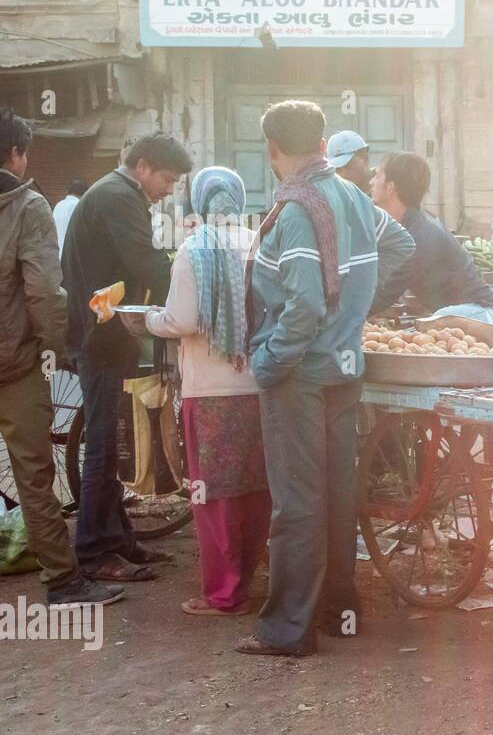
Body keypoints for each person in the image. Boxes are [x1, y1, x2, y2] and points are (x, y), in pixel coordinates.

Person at [238, 100, 380, 657]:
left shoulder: (298, 209)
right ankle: (339, 611)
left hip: (301, 374)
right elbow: (396, 247)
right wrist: (353, 317)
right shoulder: (355, 197)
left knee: (297, 502)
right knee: (336, 496)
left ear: (271, 149)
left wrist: (269, 363)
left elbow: (301, 305)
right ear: (323, 143)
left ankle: (288, 630)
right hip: (343, 368)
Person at [0, 109, 122, 607]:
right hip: (13, 363)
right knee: (33, 474)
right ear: (16, 153)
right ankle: (63, 581)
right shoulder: (26, 205)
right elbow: (44, 291)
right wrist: (56, 346)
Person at [62, 131, 192, 582]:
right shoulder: (119, 197)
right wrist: (193, 278)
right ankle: (95, 552)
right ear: (142, 167)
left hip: (107, 336)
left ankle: (119, 539)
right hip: (100, 340)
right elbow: (146, 261)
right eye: (167, 179)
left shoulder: (114, 194)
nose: (168, 189)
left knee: (112, 440)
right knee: (101, 446)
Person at [145, 168, 269, 616]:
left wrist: (145, 318)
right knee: (256, 488)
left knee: (212, 494)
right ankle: (252, 579)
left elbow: (182, 321)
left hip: (210, 389)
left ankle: (223, 593)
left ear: (199, 202)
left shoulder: (192, 250)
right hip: (259, 386)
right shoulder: (260, 242)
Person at [369, 151, 493, 328]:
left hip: (485, 314)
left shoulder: (420, 235)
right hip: (459, 315)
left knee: (435, 322)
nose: (371, 182)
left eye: (377, 176)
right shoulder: (410, 225)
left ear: (390, 187)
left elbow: (385, 294)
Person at [51, 179, 86, 257]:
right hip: (70, 257)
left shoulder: (59, 205)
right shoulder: (78, 206)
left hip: (55, 256)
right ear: (84, 194)